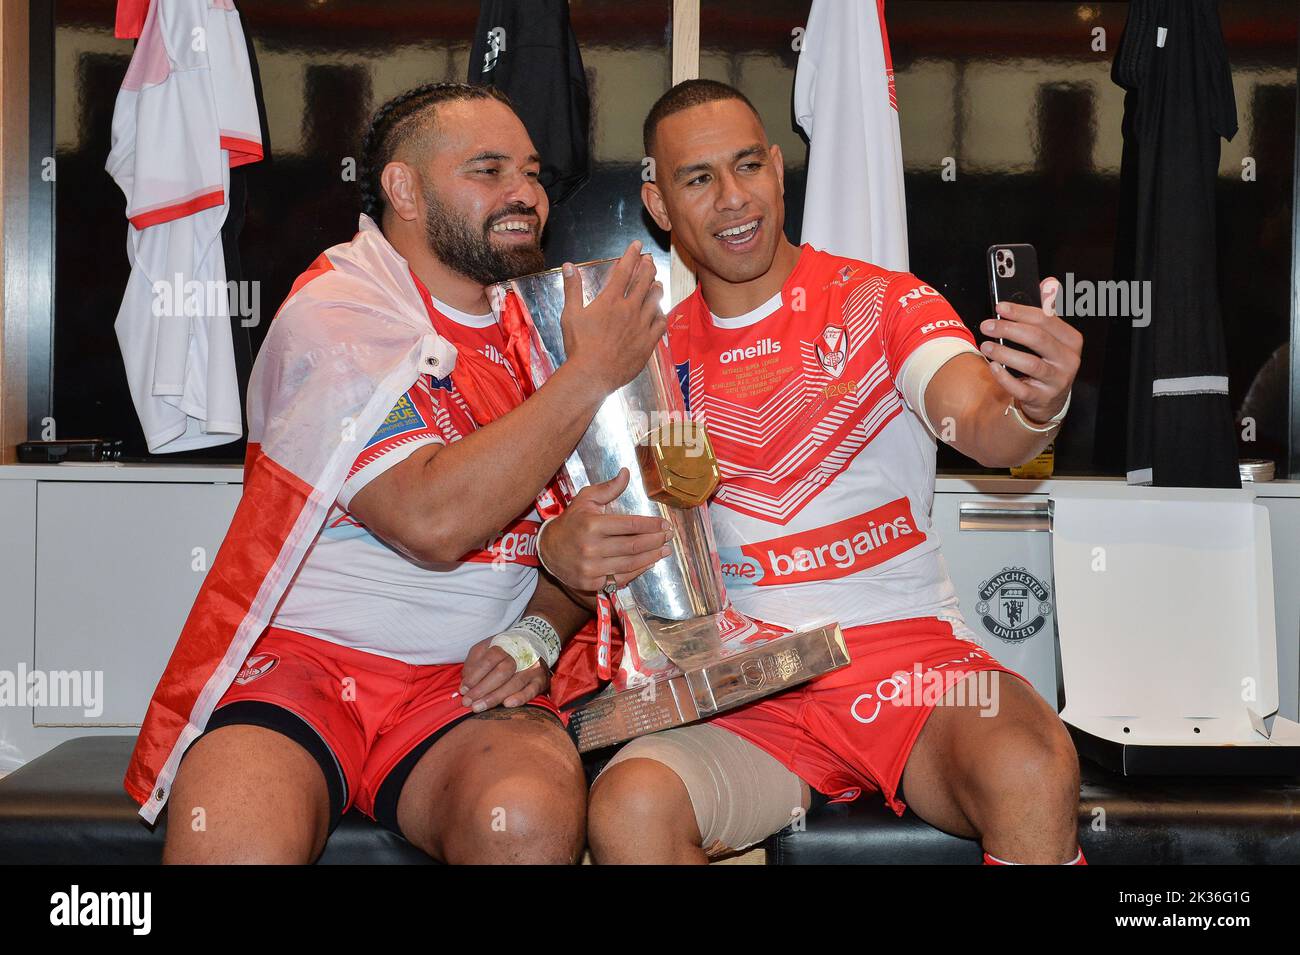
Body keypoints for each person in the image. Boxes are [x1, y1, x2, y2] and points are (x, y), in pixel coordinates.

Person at [543, 80, 1087, 865]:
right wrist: (562, 550)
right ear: (658, 204)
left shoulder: (883, 303)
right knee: (630, 809)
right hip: (747, 689)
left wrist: (1036, 404)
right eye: (700, 179)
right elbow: (616, 539)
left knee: (1031, 765)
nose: (735, 200)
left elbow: (981, 421)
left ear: (776, 167)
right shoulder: (646, 360)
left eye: (747, 168)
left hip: (911, 668)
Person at [129, 83, 669, 864]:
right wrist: (588, 376)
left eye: (531, 173)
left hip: (468, 684)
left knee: (523, 819)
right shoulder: (340, 310)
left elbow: (602, 544)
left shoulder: (558, 327)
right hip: (305, 665)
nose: (524, 194)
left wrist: (538, 627)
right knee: (230, 840)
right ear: (403, 189)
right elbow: (431, 521)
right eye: (487, 171)